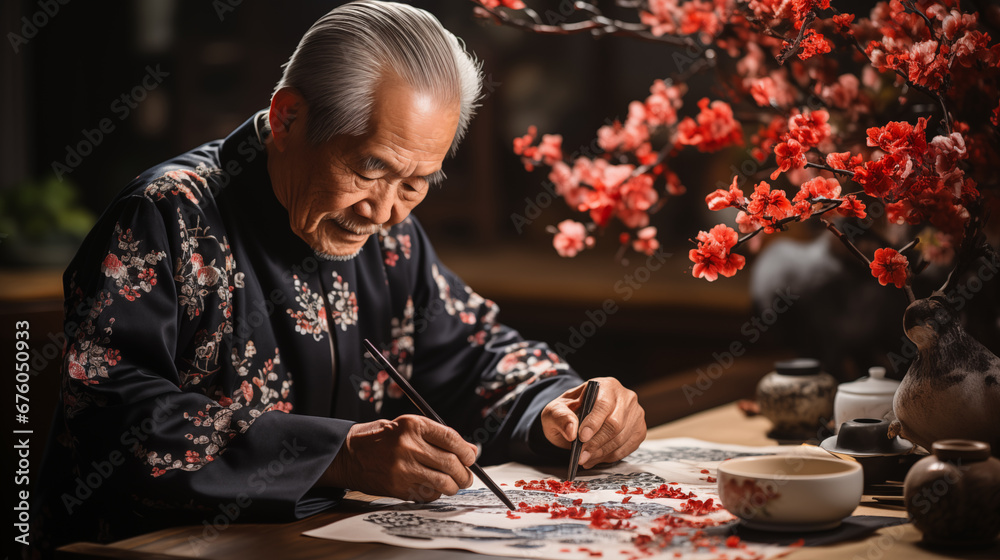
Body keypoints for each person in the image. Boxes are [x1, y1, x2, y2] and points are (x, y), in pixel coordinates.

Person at [31, 1, 646, 555]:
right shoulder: (164, 216)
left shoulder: (391, 235)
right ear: (288, 119)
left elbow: (471, 352)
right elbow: (112, 418)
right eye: (369, 170)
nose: (385, 212)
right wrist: (339, 455)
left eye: (415, 184)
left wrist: (557, 404)